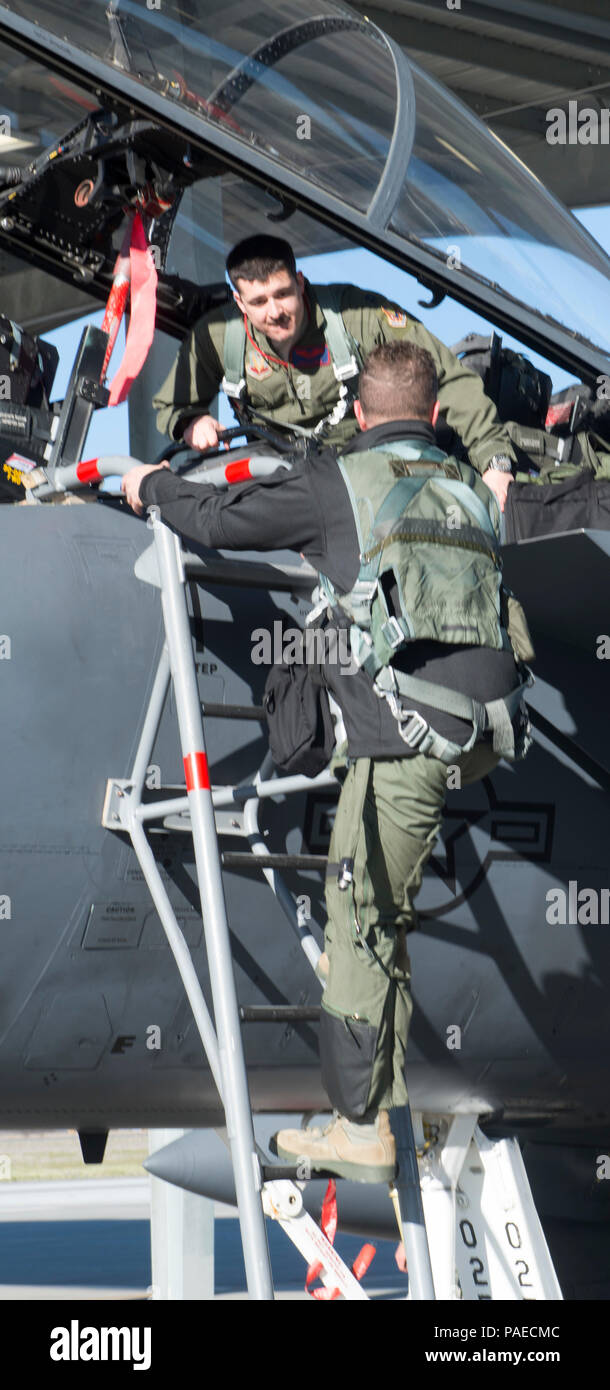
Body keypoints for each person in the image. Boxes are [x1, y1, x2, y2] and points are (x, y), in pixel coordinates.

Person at [123, 341, 531, 1183]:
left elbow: (215, 521)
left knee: (358, 915)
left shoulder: (337, 482)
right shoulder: (470, 490)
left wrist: (146, 485)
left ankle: (360, 1126)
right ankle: (391, 1107)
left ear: (356, 414)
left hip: (408, 740)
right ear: (436, 415)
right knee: (389, 915)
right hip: (489, 728)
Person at [153, 233, 516, 513]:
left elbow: (448, 378)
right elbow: (170, 406)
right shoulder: (216, 336)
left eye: (282, 294)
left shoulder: (356, 315)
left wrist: (495, 463)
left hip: (369, 475)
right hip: (281, 483)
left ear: (300, 281)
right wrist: (190, 422)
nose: (275, 312)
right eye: (259, 302)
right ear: (239, 303)